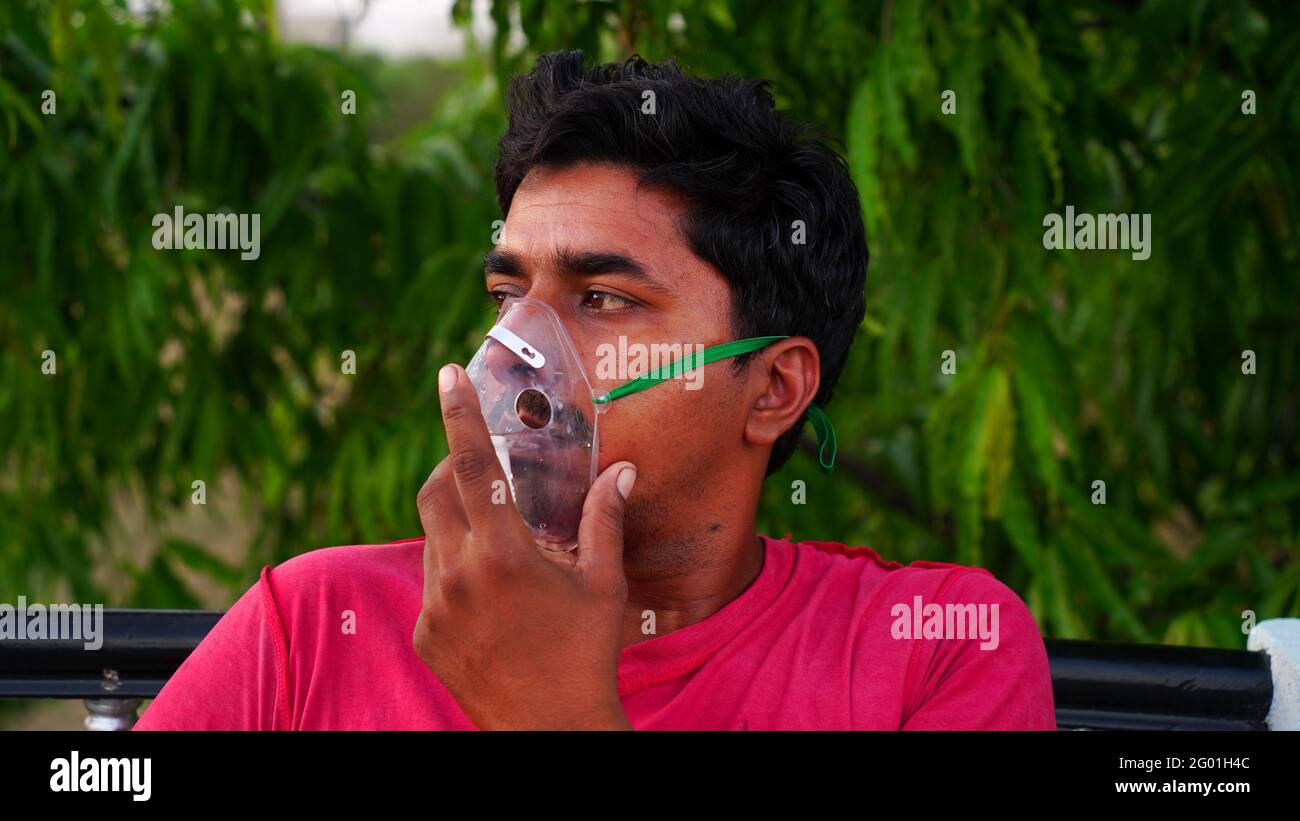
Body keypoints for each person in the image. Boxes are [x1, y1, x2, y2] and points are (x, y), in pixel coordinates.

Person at [135, 50, 1055, 730]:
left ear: (774, 386)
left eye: (602, 299)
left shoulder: (926, 651)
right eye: (507, 294)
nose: (516, 355)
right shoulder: (310, 628)